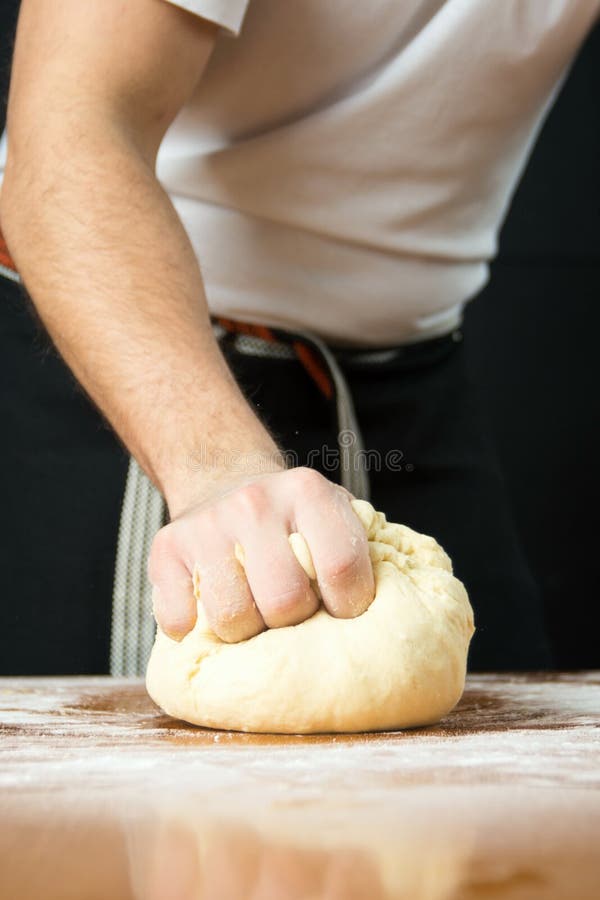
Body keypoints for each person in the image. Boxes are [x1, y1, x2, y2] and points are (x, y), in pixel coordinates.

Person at [1, 0, 597, 676]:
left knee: (497, 751)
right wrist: (217, 473)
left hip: (410, 387)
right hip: (155, 378)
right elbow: (68, 134)